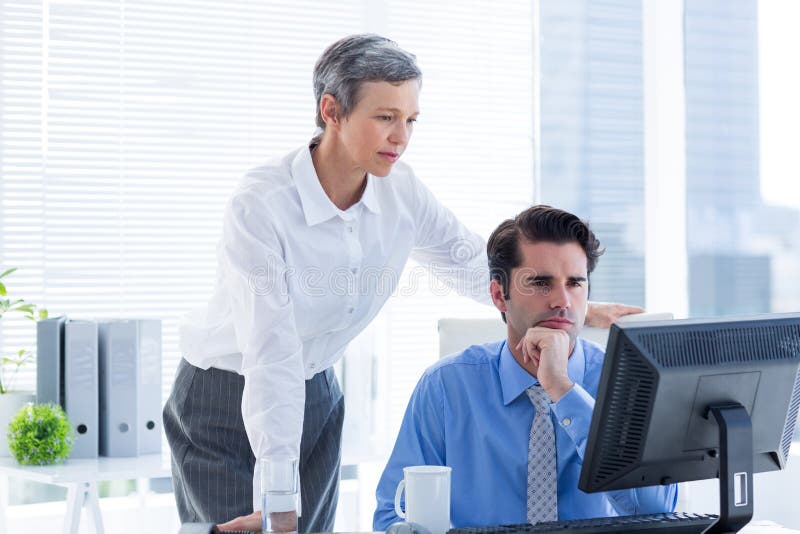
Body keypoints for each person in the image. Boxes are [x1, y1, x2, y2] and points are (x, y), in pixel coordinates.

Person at [163, 35, 643, 533]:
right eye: (385, 117)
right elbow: (270, 350)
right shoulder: (262, 205)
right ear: (331, 110)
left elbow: (471, 264)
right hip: (225, 394)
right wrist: (279, 497)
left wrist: (564, 302)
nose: (401, 136)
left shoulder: (401, 190)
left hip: (316, 389)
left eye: (410, 120)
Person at [373, 205, 676, 529]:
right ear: (499, 296)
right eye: (541, 283)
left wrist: (563, 390)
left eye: (575, 283)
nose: (562, 300)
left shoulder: (627, 383)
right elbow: (394, 514)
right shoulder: (445, 387)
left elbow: (656, 513)